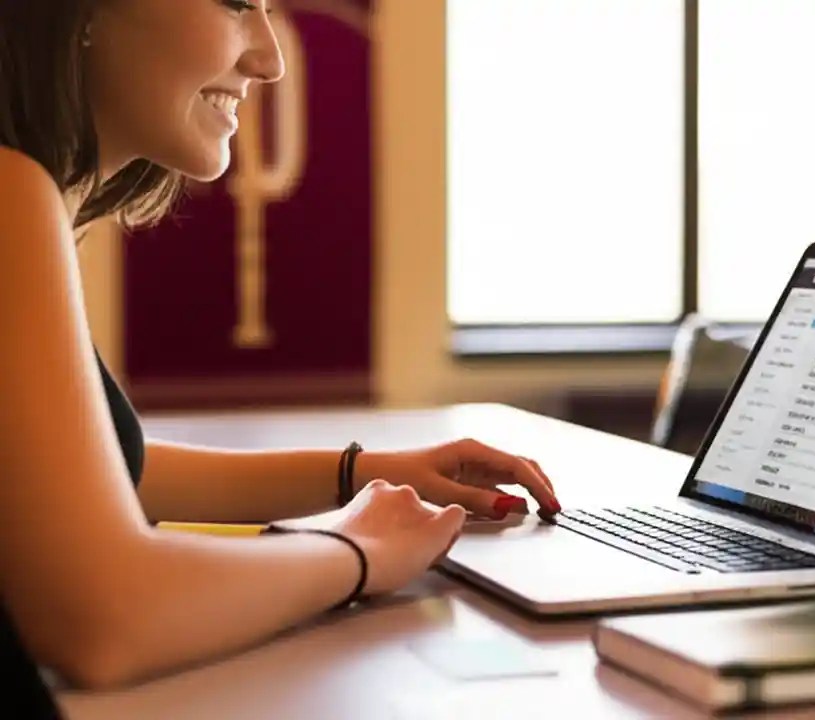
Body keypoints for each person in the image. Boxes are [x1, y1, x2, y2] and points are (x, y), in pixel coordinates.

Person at [0, 0, 561, 694]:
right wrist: (355, 550)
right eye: (238, 6)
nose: (270, 59)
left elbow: (93, 476)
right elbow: (103, 616)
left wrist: (360, 474)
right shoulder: (8, 190)